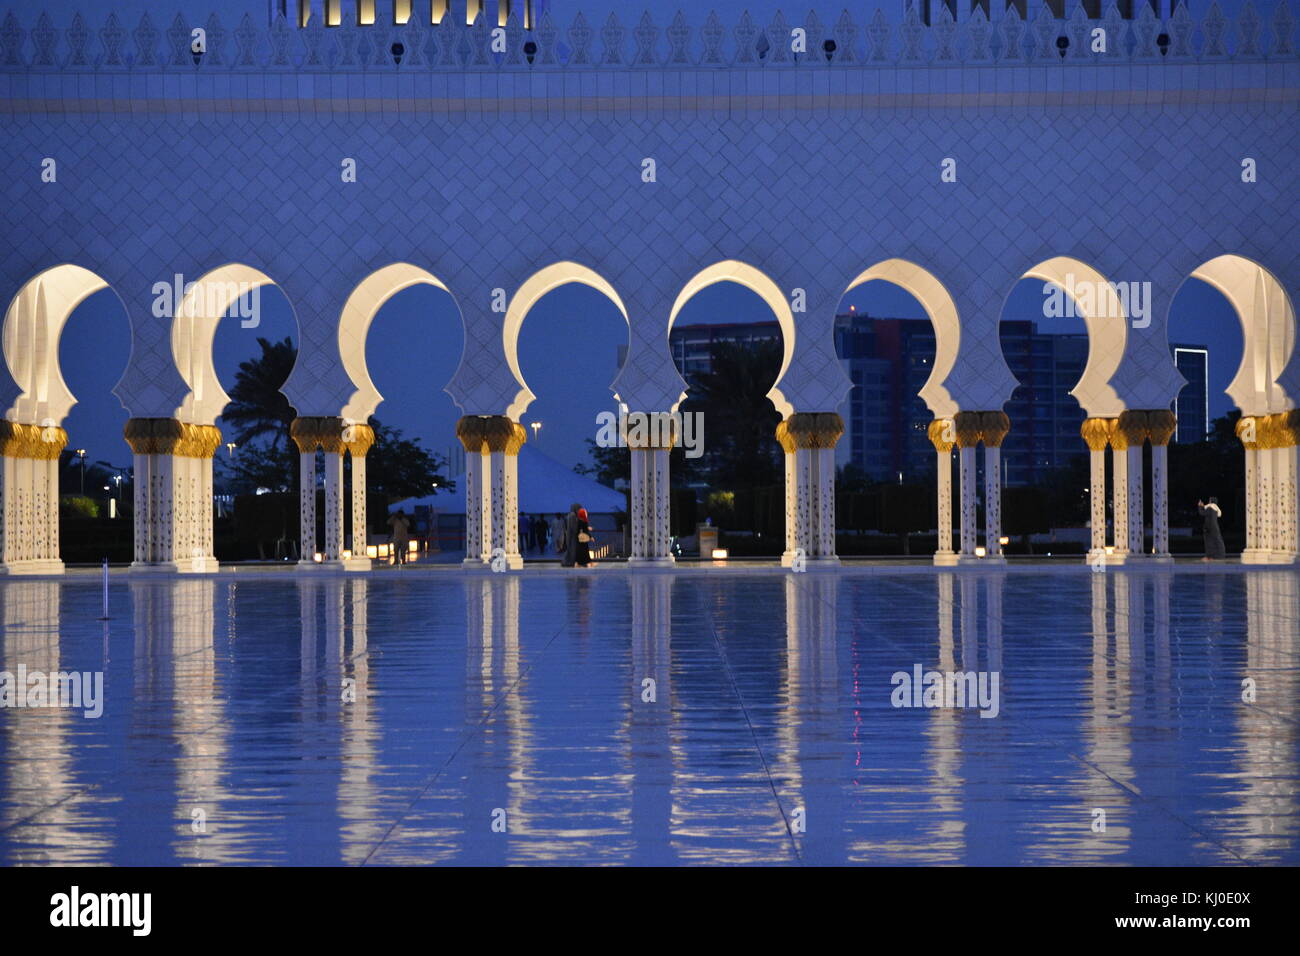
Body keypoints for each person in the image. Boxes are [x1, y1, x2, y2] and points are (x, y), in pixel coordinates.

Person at [562, 502, 581, 567]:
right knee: (572, 549)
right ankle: (568, 562)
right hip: (572, 536)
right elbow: (574, 527)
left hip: (571, 536)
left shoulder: (571, 515)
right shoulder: (572, 515)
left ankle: (568, 562)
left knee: (570, 549)